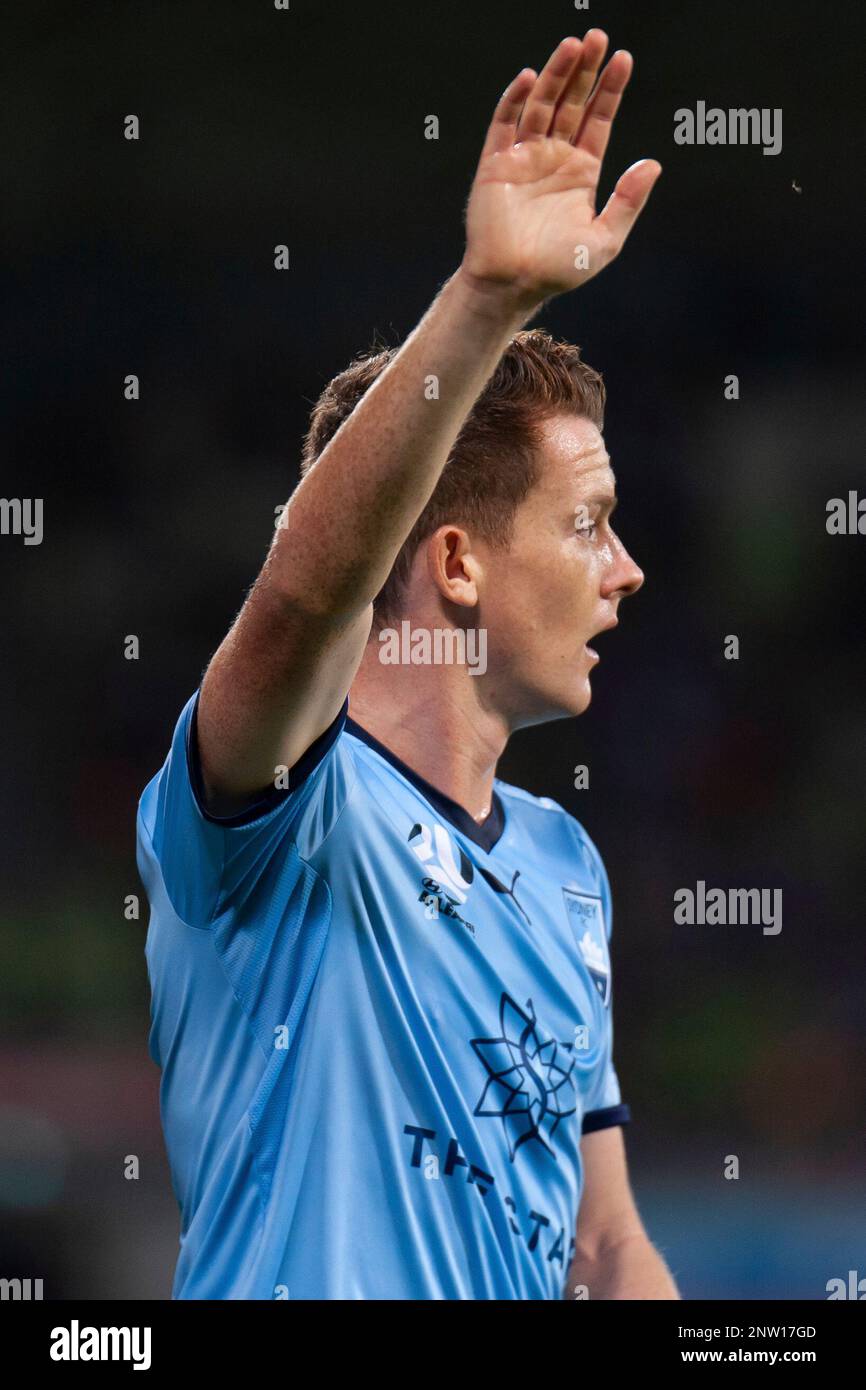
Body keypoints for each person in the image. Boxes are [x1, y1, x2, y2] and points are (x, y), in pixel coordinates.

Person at [137, 29, 679, 1299]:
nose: (627, 570)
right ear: (455, 561)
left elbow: (602, 1244)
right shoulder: (276, 809)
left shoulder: (566, 866)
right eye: (587, 522)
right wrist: (487, 299)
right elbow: (305, 592)